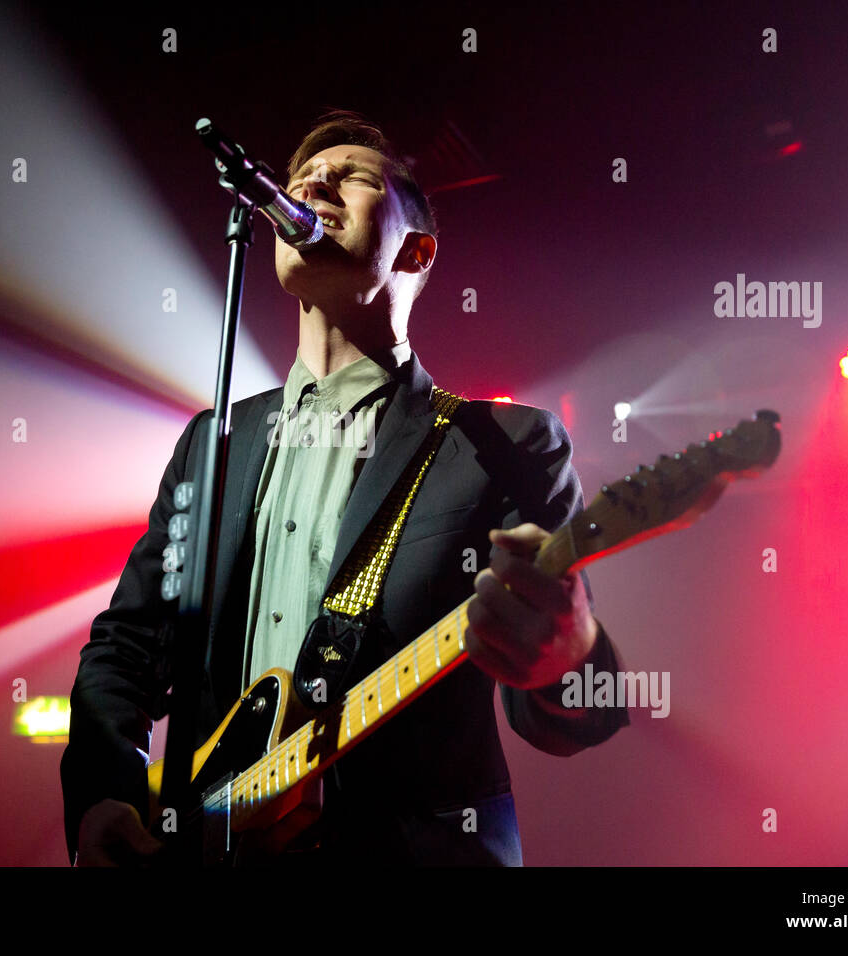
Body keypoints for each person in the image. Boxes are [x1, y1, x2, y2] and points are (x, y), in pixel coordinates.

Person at [61, 110, 630, 867]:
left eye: (353, 176)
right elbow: (129, 645)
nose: (314, 180)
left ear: (416, 250)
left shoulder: (502, 444)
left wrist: (570, 655)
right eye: (302, 177)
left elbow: (556, 719)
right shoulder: (213, 443)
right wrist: (109, 791)